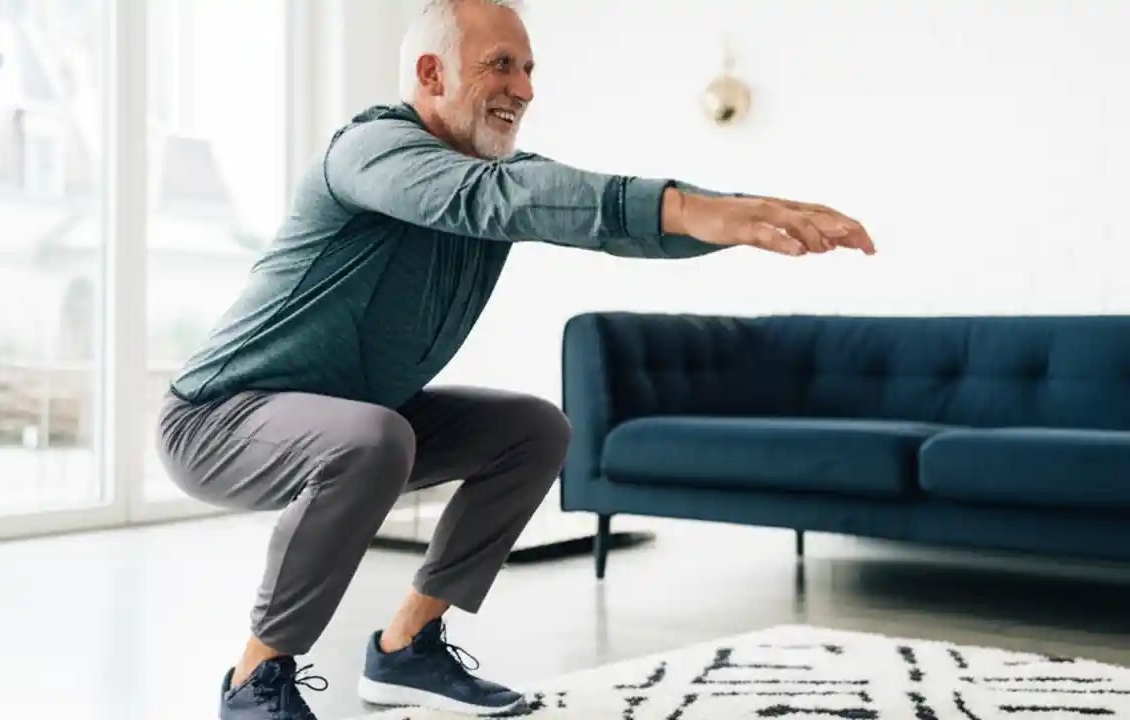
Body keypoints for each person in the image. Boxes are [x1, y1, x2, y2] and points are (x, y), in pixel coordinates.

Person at [156, 0, 876, 717]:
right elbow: (495, 199)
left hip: (361, 421)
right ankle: (255, 683)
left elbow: (602, 217)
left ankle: (407, 649)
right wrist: (696, 209)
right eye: (501, 65)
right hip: (217, 422)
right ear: (431, 73)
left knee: (534, 431)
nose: (525, 89)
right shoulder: (367, 150)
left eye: (529, 69)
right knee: (375, 439)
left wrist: (746, 212)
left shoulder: (496, 178)